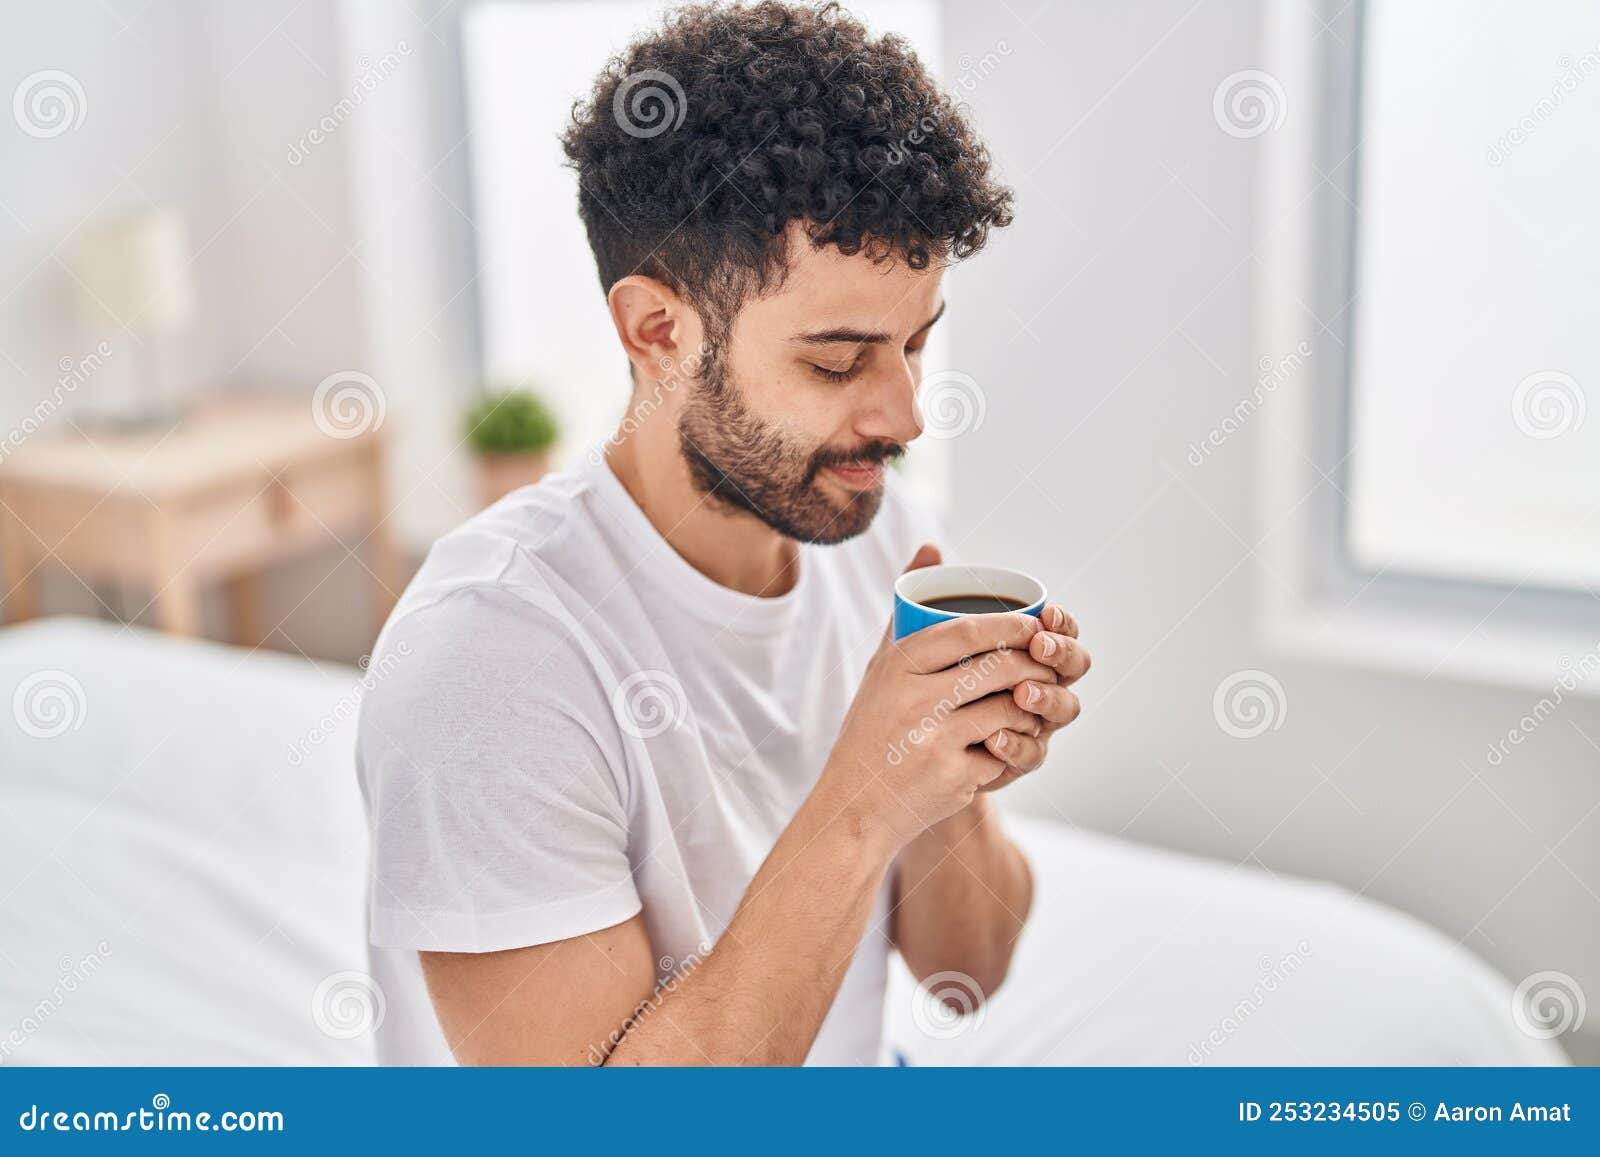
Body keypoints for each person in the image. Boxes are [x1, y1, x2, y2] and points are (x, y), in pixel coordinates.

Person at [356, 0, 1090, 1066]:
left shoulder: (885, 538)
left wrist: (950, 769)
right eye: (837, 361)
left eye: (915, 345)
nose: (903, 415)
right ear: (659, 331)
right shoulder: (489, 656)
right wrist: (868, 787)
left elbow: (965, 977)